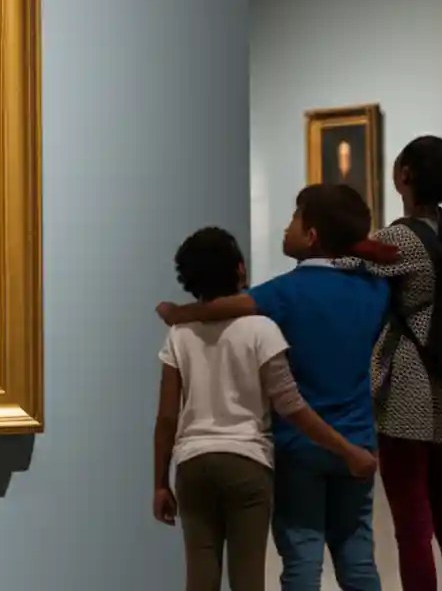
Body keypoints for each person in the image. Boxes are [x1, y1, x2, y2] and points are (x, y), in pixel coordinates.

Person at [156, 185, 389, 591]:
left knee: (301, 558)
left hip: (297, 447)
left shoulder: (283, 293)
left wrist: (180, 313)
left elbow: (231, 307)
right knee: (357, 557)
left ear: (312, 235)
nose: (286, 226)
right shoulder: (375, 290)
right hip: (356, 438)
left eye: (294, 217)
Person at [355, 136, 442, 591]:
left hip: (410, 385)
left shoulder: (398, 238)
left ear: (404, 174)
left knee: (413, 522)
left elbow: (346, 260)